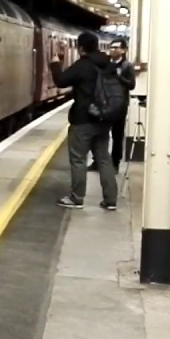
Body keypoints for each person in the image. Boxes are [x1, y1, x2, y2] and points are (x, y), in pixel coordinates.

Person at [50, 31, 119, 210]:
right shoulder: (108, 64)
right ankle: (111, 200)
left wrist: (56, 64)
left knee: (79, 159)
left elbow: (61, 81)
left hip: (83, 119)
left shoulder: (84, 65)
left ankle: (76, 197)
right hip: (104, 119)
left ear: (81, 48)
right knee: (104, 158)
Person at [90, 39, 137, 172]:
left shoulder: (127, 66)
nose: (113, 50)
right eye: (111, 47)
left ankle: (115, 163)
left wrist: (118, 77)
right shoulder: (105, 64)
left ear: (123, 50)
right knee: (100, 133)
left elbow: (131, 85)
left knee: (117, 135)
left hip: (120, 106)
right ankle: (97, 162)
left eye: (116, 48)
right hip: (104, 104)